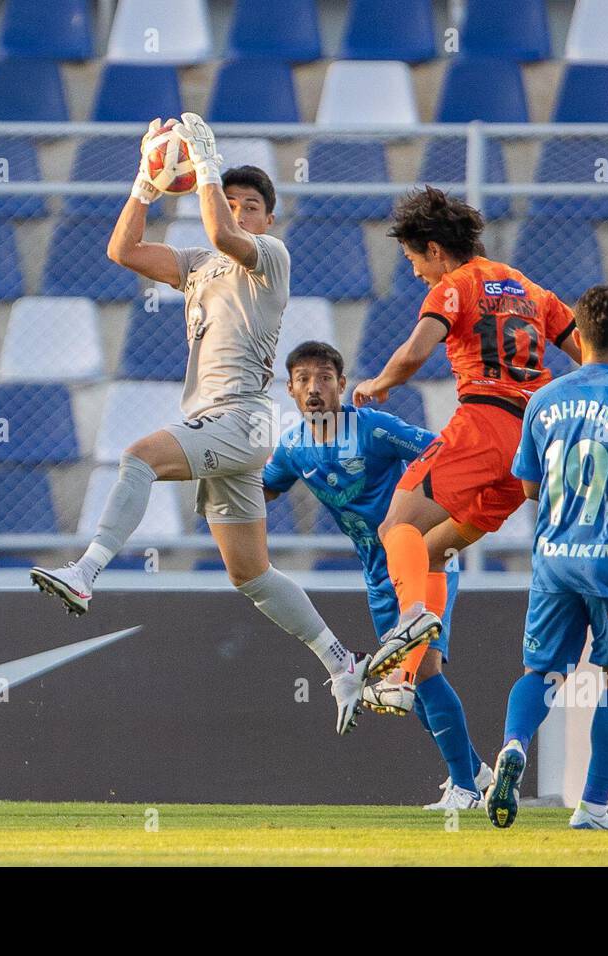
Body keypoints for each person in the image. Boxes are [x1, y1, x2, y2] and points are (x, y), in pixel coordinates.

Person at [31, 114, 369, 735]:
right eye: (233, 203)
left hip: (240, 421)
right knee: (252, 575)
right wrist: (145, 183)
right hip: (221, 426)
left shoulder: (269, 257)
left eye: (252, 206)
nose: (239, 213)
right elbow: (122, 251)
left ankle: (86, 571)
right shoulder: (199, 262)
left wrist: (207, 164)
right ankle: (341, 662)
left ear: (268, 220)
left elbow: (218, 227)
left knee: (137, 455)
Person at [351, 186, 581, 679]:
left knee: (396, 528)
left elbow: (416, 351)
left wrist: (377, 384)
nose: (414, 271)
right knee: (430, 553)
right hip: (534, 448)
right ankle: (406, 677)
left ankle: (409, 617)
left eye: (414, 259)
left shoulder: (454, 287)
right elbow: (589, 350)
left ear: (434, 250)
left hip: (484, 425)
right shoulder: (529, 288)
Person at [265, 341, 491, 809]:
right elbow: (262, 490)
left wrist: (439, 528)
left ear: (342, 385)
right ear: (289, 388)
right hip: (376, 578)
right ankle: (474, 773)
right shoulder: (292, 448)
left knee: (424, 675)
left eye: (325, 377)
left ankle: (465, 790)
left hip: (419, 563)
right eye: (304, 378)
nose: (314, 388)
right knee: (411, 691)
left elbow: (439, 453)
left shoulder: (372, 428)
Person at [485, 285, 608, 831]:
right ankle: (593, 807)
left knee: (541, 670)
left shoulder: (543, 399)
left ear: (576, 336)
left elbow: (529, 488)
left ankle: (515, 744)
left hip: (553, 560)